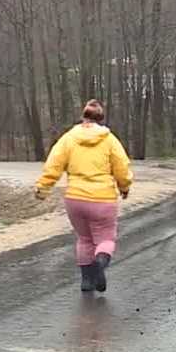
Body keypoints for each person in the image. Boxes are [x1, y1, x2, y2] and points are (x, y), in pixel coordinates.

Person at [35, 100, 132, 292]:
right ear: (101, 119)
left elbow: (54, 163)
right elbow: (121, 166)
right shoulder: (109, 139)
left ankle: (87, 282)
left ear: (83, 116)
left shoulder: (69, 138)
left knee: (84, 239)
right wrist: (124, 186)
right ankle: (100, 264)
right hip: (102, 200)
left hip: (75, 199)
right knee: (105, 239)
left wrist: (43, 187)